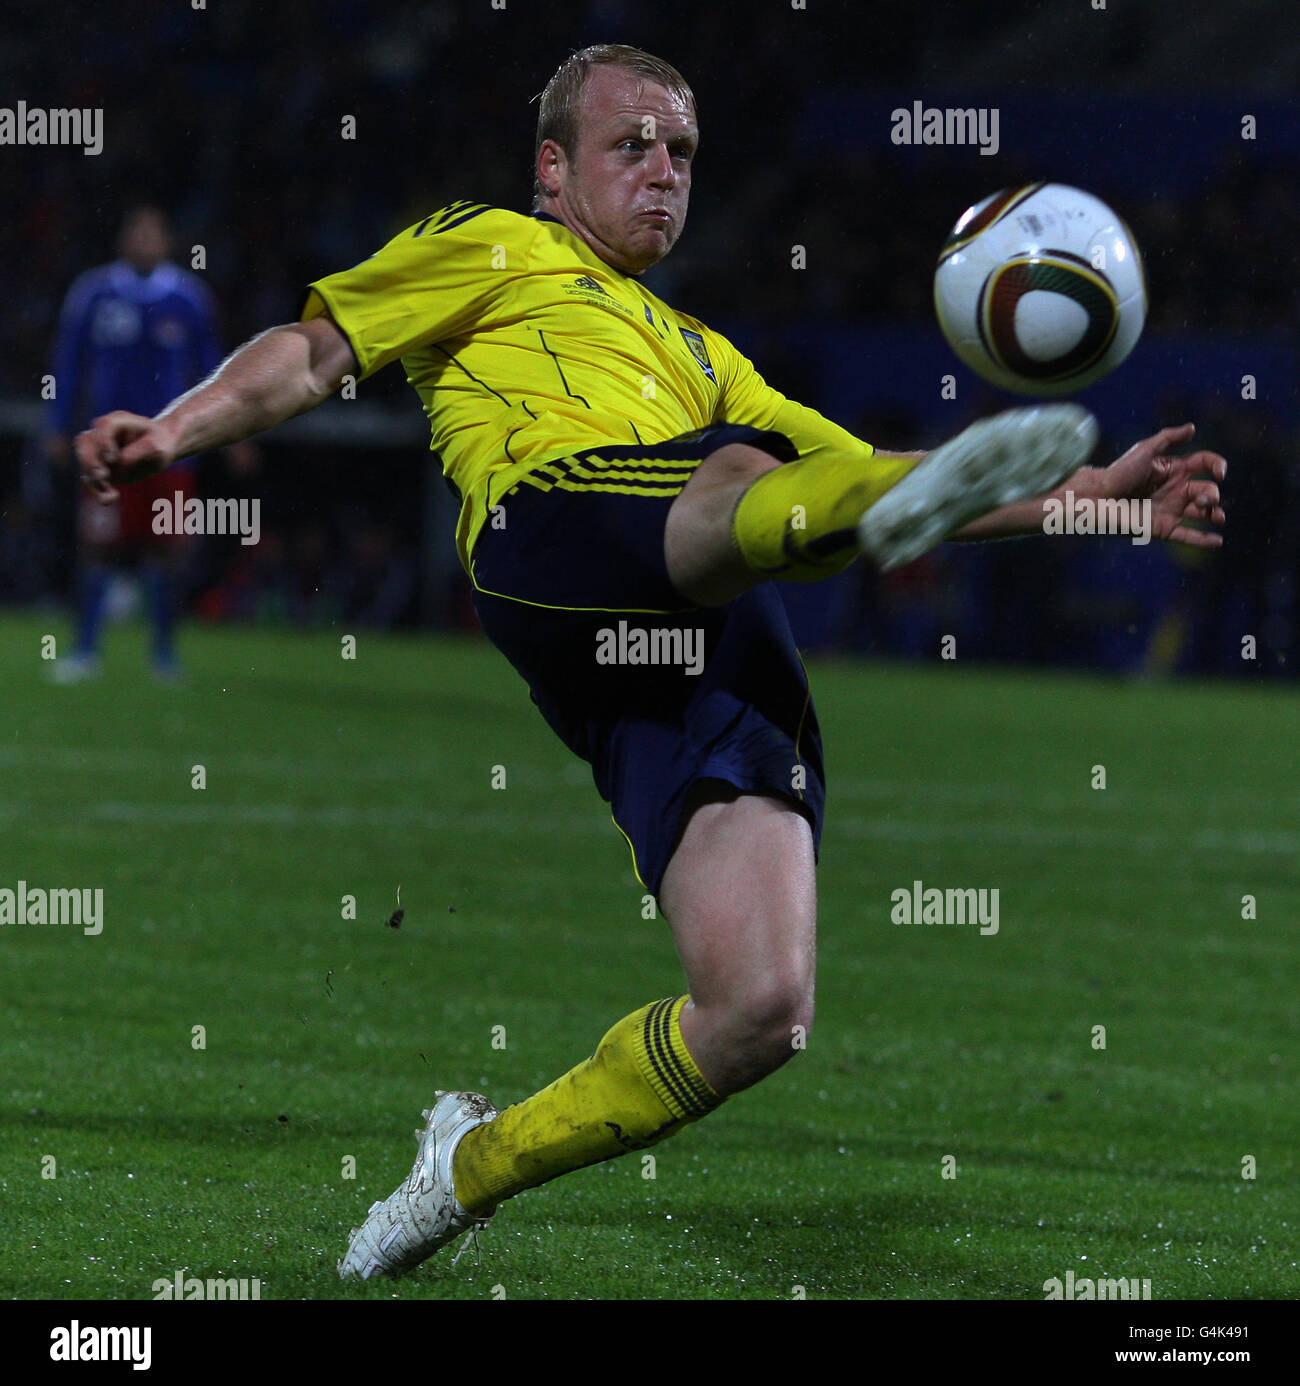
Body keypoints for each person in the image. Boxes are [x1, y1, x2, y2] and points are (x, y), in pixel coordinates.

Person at [76, 45, 1226, 1280]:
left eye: (682, 153)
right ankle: (805, 527)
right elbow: (312, 353)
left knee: (759, 1008)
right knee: (737, 467)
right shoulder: (486, 244)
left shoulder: (700, 348)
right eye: (634, 146)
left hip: (704, 613)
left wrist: (1095, 507)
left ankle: (468, 1165)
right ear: (553, 168)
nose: (665, 174)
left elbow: (874, 478)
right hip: (556, 533)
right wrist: (179, 430)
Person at [45, 206, 252, 681]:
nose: (143, 241)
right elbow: (68, 362)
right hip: (107, 446)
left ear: (167, 242)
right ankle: (85, 650)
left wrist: (235, 431)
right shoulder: (93, 292)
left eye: (152, 234)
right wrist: (57, 425)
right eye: (135, 232)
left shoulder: (189, 297)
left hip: (172, 447)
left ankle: (163, 654)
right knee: (97, 546)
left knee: (168, 550)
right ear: (122, 239)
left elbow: (214, 369)